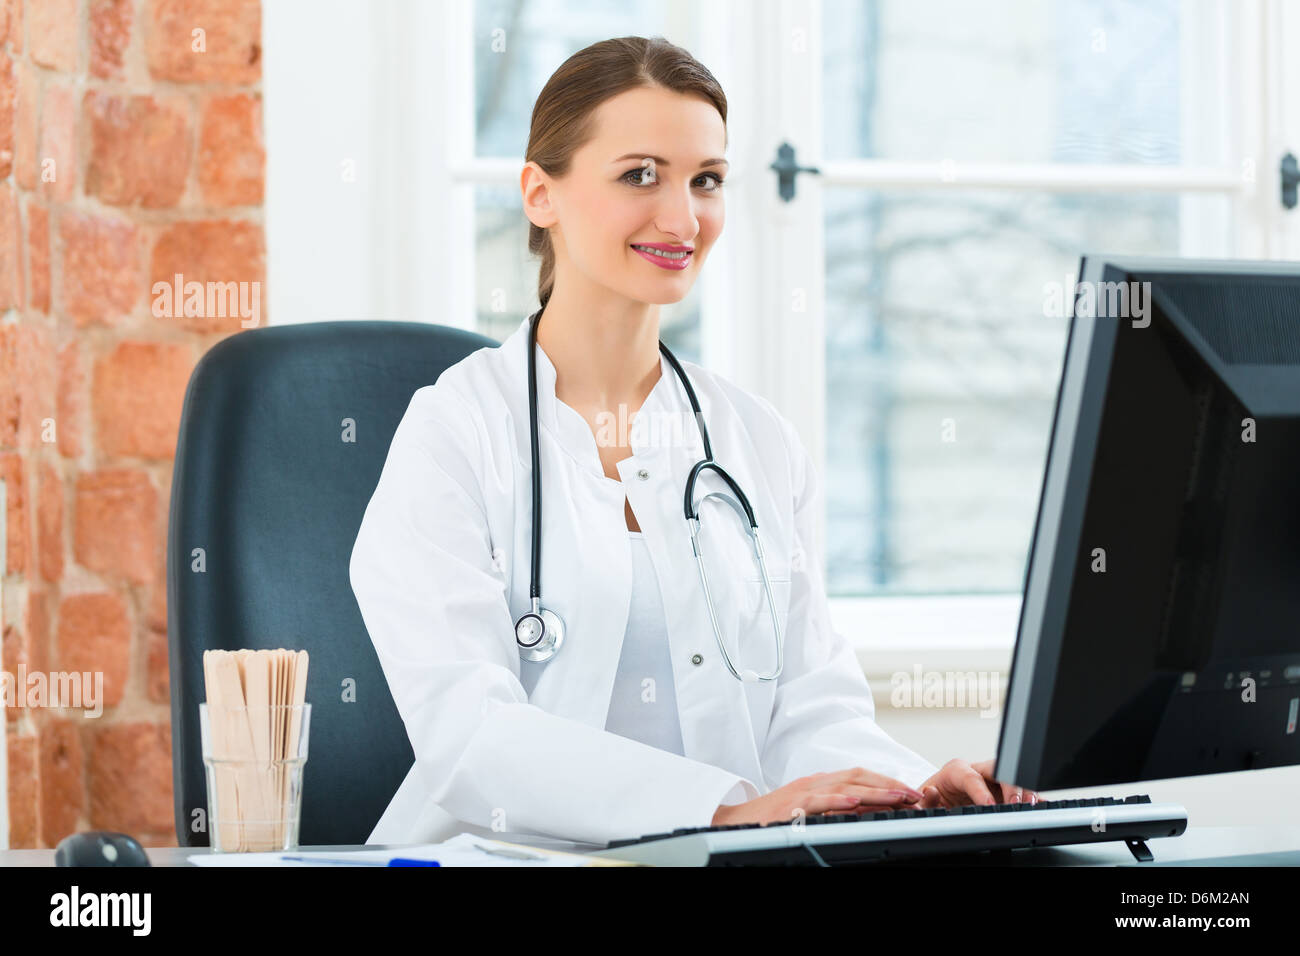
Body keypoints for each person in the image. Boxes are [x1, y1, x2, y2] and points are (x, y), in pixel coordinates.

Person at [349, 35, 1036, 847]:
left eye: (705, 180)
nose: (683, 218)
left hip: (727, 859)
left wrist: (909, 793)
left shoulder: (756, 442)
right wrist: (724, 810)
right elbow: (470, 735)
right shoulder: (456, 430)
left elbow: (808, 706)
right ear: (541, 193)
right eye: (641, 174)